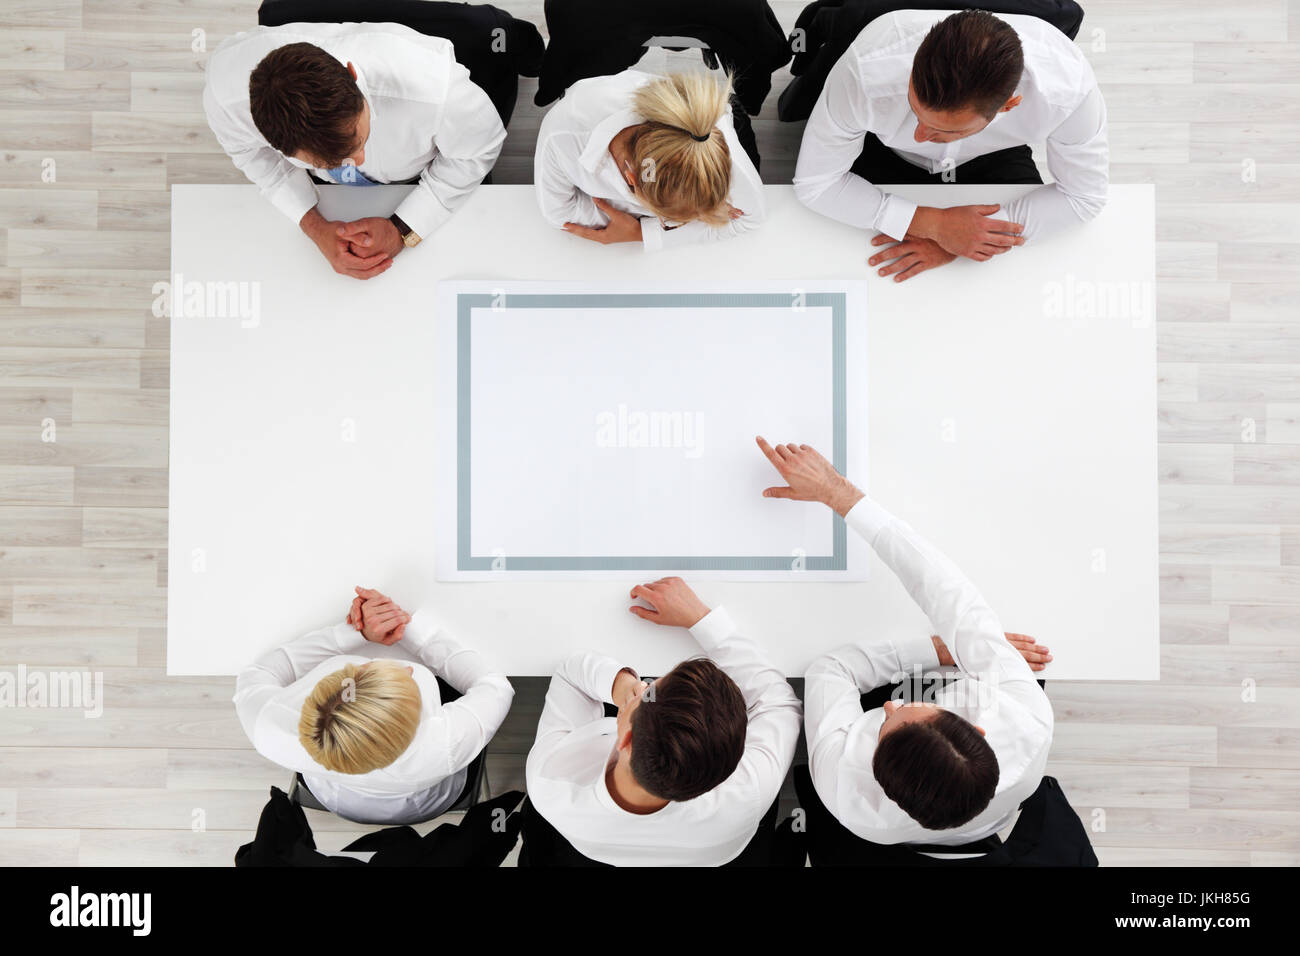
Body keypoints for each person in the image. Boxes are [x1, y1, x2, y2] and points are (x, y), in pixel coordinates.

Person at [754, 436, 1054, 848]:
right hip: (984, 819)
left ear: (879, 775)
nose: (891, 703)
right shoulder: (1027, 718)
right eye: (915, 709)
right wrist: (840, 495)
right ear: (978, 730)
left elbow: (831, 669)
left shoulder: (846, 791)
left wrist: (935, 650)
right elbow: (951, 596)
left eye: (884, 724)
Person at [793, 9, 1108, 283]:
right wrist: (934, 225)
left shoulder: (1068, 90)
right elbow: (816, 184)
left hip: (994, 157)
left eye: (946, 129)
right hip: (880, 150)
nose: (918, 135)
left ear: (1008, 106)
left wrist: (967, 237)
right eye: (915, 111)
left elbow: (1084, 197)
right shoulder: (864, 72)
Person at [522, 577, 801, 865]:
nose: (645, 687)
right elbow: (778, 703)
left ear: (627, 738)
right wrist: (700, 619)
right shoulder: (746, 791)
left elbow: (570, 674)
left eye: (649, 688)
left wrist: (619, 683)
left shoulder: (551, 778)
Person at [204, 22, 506, 280]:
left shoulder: (434, 90)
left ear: (351, 75)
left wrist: (403, 229)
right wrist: (314, 226)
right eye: (334, 160)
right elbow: (253, 157)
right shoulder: (227, 101)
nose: (358, 161)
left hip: (422, 173)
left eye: (359, 140)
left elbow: (480, 148)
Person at [232, 586, 514, 825]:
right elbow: (495, 687)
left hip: (333, 796)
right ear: (414, 723)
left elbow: (259, 672)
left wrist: (356, 633)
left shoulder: (270, 730)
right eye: (408, 681)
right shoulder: (445, 743)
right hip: (429, 801)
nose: (406, 669)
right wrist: (405, 625)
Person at [534, 69, 765, 251]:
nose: (687, 224)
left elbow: (752, 218)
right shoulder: (561, 139)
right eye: (670, 224)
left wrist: (642, 233)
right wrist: (649, 226)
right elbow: (558, 214)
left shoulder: (711, 146)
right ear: (631, 179)